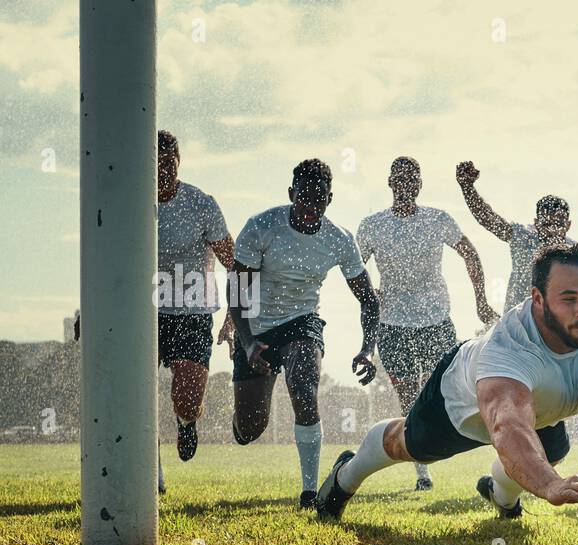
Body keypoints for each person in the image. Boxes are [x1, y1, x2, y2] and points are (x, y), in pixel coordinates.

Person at [315, 243, 578, 521]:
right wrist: (551, 485)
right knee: (410, 446)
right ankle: (345, 475)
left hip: (540, 412)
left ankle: (501, 498)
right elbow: (507, 427)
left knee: (546, 453)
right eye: (568, 299)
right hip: (462, 401)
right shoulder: (509, 347)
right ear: (537, 299)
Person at [226, 158, 380, 508]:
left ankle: (309, 493)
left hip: (302, 322)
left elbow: (369, 300)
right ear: (292, 194)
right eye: (305, 198)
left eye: (320, 199)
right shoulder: (262, 226)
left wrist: (367, 349)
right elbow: (235, 289)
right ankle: (241, 425)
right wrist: (247, 342)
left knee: (304, 385)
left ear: (330, 199)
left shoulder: (339, 239)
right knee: (251, 429)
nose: (311, 208)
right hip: (257, 327)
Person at [356, 156, 497, 491]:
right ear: (390, 183)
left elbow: (470, 253)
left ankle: (493, 448)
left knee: (449, 391)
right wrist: (370, 295)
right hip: (392, 324)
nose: (405, 184)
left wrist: (480, 301)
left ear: (419, 185)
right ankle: (422, 472)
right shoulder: (372, 225)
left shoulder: (437, 219)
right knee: (408, 399)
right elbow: (355, 271)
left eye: (412, 179)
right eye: (399, 179)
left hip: (436, 319)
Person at [154, 130, 236, 490]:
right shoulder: (131, 202)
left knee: (186, 398)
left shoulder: (201, 204)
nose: (162, 171)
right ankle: (151, 474)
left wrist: (233, 315)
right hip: (145, 311)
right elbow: (106, 259)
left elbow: (233, 262)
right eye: (155, 164)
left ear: (179, 161)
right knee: (135, 392)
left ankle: (187, 423)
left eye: (168, 163)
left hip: (192, 311)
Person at [454, 160, 578, 309]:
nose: (552, 230)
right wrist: (467, 188)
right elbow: (489, 219)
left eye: (558, 225)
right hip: (518, 324)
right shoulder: (523, 239)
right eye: (546, 224)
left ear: (568, 225)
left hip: (558, 327)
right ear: (536, 223)